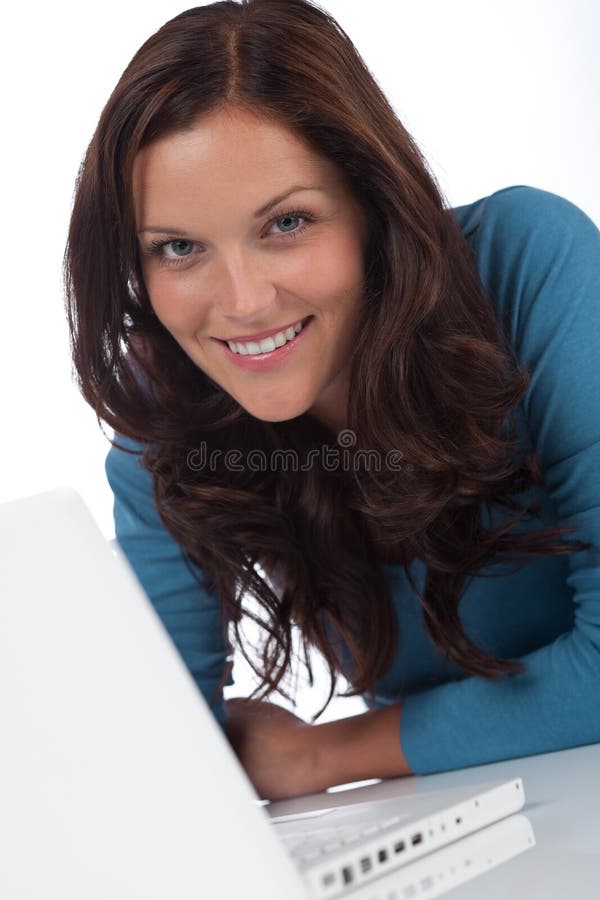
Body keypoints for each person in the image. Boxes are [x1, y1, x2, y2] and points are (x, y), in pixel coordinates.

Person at [64, 0, 600, 802]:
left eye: (286, 222)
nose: (243, 302)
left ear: (372, 204)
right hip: (463, 827)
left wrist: (323, 757)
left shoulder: (527, 264)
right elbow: (166, 753)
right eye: (178, 247)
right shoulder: (171, 407)